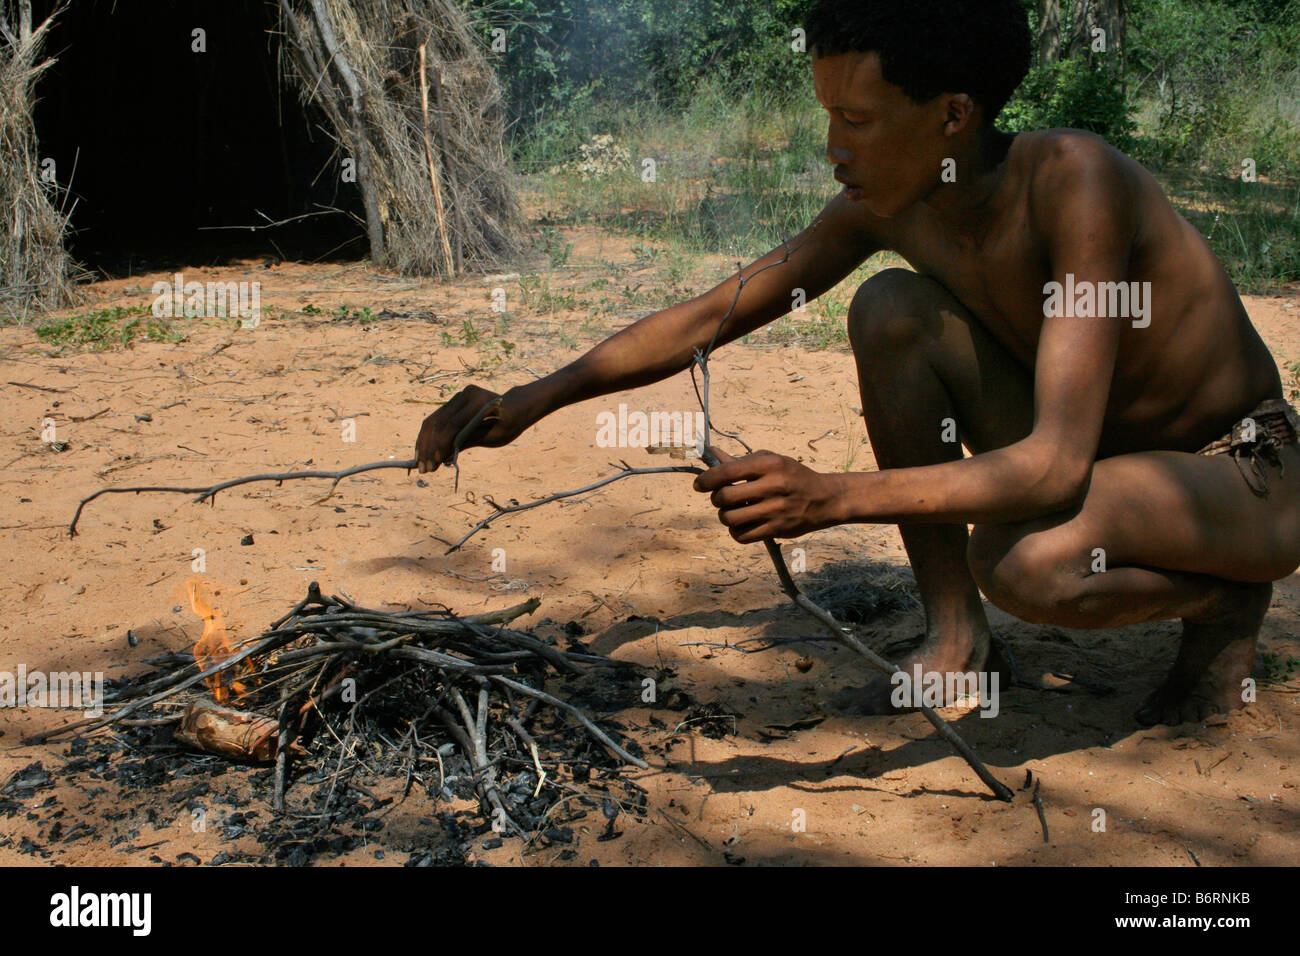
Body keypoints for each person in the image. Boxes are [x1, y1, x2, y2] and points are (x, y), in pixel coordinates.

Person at [415, 0, 1300, 726]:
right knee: (890, 310)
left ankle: (1221, 602)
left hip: (1237, 473)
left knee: (1026, 564)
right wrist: (529, 400)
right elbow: (707, 314)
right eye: (827, 116)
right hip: (1106, 463)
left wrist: (831, 498)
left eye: (857, 119)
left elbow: (1054, 467)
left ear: (953, 114)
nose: (833, 147)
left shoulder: (1076, 183)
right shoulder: (888, 208)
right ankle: (957, 644)